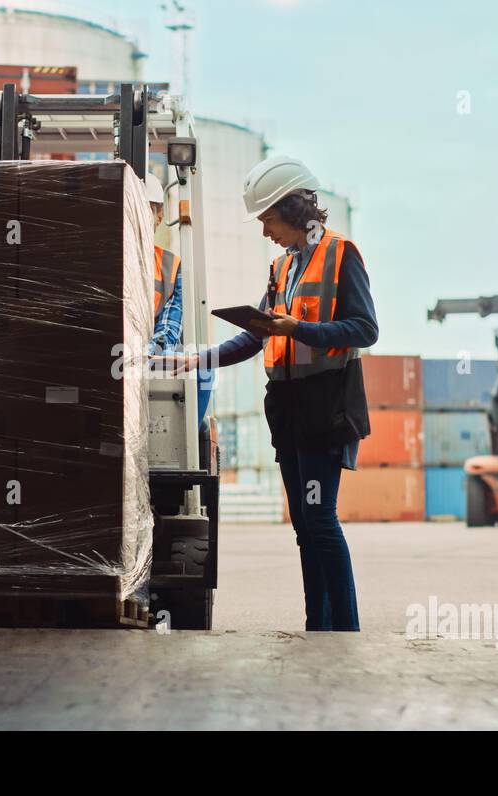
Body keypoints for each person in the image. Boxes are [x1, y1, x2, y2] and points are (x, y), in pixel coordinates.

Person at [171, 156, 378, 631]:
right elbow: (257, 337)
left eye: (267, 220)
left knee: (320, 519)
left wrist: (298, 328)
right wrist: (198, 358)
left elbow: (365, 329)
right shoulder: (281, 268)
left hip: (328, 405)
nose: (265, 232)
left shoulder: (343, 254)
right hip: (288, 411)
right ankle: (317, 628)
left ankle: (343, 629)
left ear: (291, 208)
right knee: (305, 528)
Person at [145, 173, 183, 354]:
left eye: (144, 210)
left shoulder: (171, 266)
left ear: (159, 216)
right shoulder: (103, 260)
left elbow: (169, 330)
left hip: (147, 363)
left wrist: (143, 354)